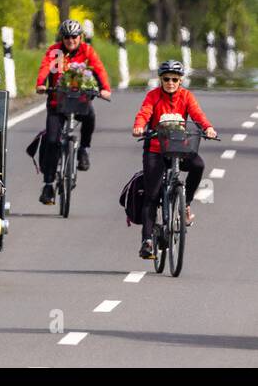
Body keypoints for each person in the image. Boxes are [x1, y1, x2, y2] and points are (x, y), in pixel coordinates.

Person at [131, 60, 216, 258]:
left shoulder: (186, 96)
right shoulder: (153, 96)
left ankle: (185, 204)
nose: (170, 83)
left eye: (174, 79)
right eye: (166, 79)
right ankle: (147, 241)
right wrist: (139, 126)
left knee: (198, 165)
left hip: (179, 147)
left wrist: (208, 128)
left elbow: (197, 114)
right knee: (152, 195)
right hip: (155, 149)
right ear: (161, 80)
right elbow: (144, 112)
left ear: (180, 81)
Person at [34, 18, 112, 204]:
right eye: (67, 37)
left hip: (80, 102)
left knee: (90, 117)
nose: (71, 40)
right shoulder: (55, 51)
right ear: (62, 38)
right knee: (52, 141)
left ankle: (84, 149)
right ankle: (48, 185)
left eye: (74, 36)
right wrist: (41, 84)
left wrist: (105, 89)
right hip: (57, 103)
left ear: (80, 37)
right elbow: (45, 68)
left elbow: (99, 69)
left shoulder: (87, 51)